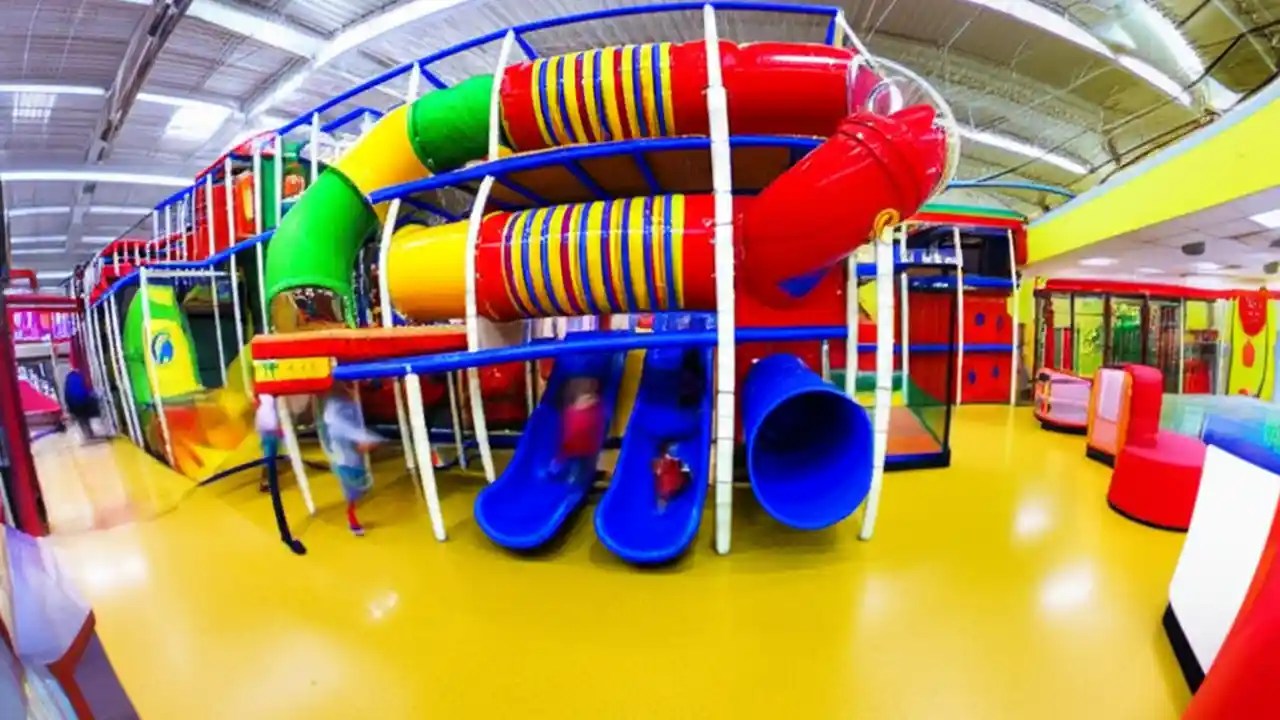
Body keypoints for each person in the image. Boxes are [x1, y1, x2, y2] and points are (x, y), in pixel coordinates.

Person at [321, 383, 384, 537]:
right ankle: (352, 519)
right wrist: (368, 439)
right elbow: (344, 429)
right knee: (352, 491)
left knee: (357, 486)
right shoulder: (336, 414)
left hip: (349, 457)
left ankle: (352, 514)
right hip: (344, 460)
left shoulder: (345, 407)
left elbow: (351, 428)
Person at [551, 377, 605, 480]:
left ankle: (564, 472)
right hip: (577, 448)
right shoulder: (574, 411)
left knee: (576, 463)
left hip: (578, 448)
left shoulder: (574, 410)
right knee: (577, 463)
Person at [61, 368, 99, 442]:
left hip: (74, 403)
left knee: (80, 419)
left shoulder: (68, 381)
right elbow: (85, 389)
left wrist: (68, 406)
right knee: (85, 417)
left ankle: (86, 435)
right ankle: (90, 433)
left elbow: (67, 394)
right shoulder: (80, 377)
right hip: (83, 401)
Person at [653, 441, 690, 512]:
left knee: (664, 496)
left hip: (672, 489)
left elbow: (687, 474)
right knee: (663, 497)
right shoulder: (663, 461)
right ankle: (661, 510)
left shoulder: (679, 462)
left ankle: (661, 509)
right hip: (668, 490)